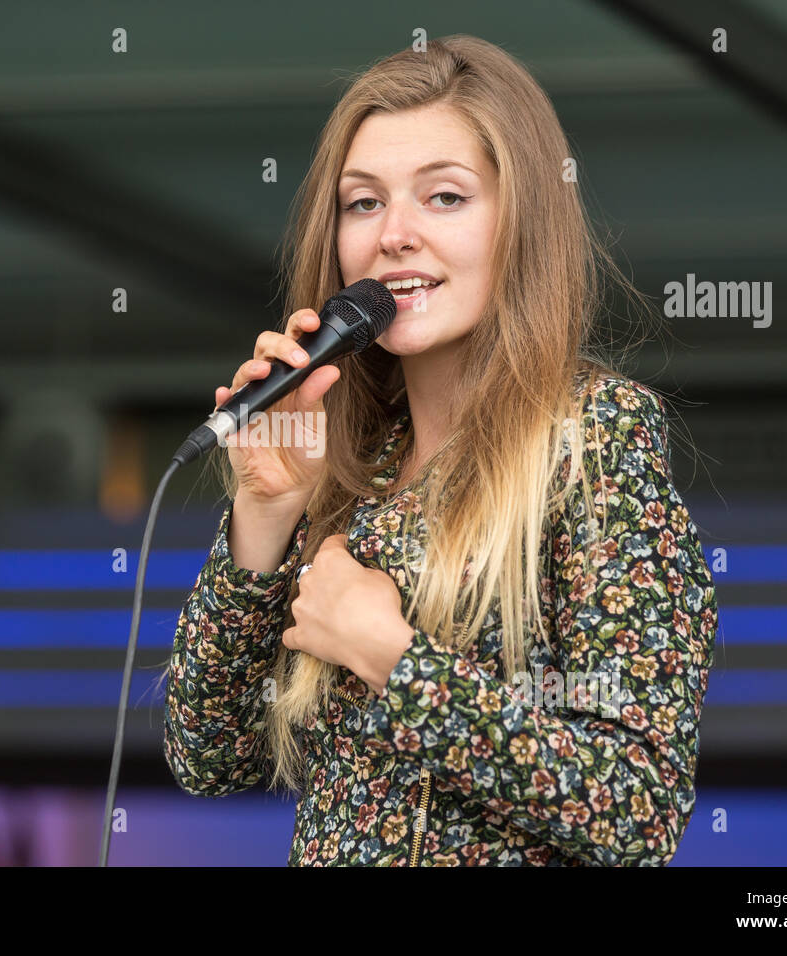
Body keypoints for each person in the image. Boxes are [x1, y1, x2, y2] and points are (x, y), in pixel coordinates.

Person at [162, 34, 717, 866]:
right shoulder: (359, 471)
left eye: (446, 198)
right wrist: (268, 510)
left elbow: (635, 804)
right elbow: (207, 757)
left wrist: (391, 657)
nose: (395, 235)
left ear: (520, 222)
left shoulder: (593, 440)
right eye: (363, 203)